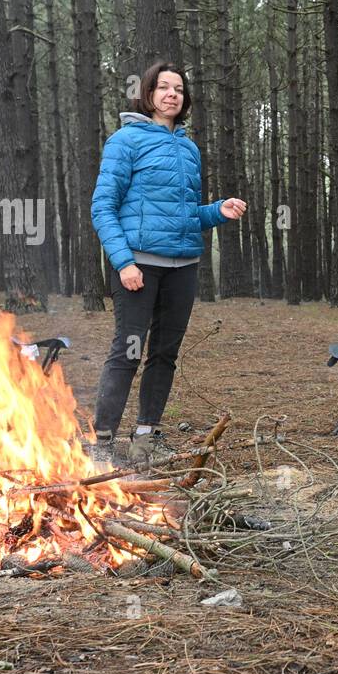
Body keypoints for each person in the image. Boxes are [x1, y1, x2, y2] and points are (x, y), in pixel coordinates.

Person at [89, 61, 247, 466]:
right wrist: (124, 262)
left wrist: (217, 211)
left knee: (164, 353)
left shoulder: (188, 148)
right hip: (138, 264)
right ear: (148, 93)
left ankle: (146, 437)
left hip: (183, 266)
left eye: (178, 89)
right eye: (163, 87)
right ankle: (102, 445)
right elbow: (103, 207)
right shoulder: (126, 141)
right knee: (128, 351)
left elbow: (184, 214)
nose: (172, 94)